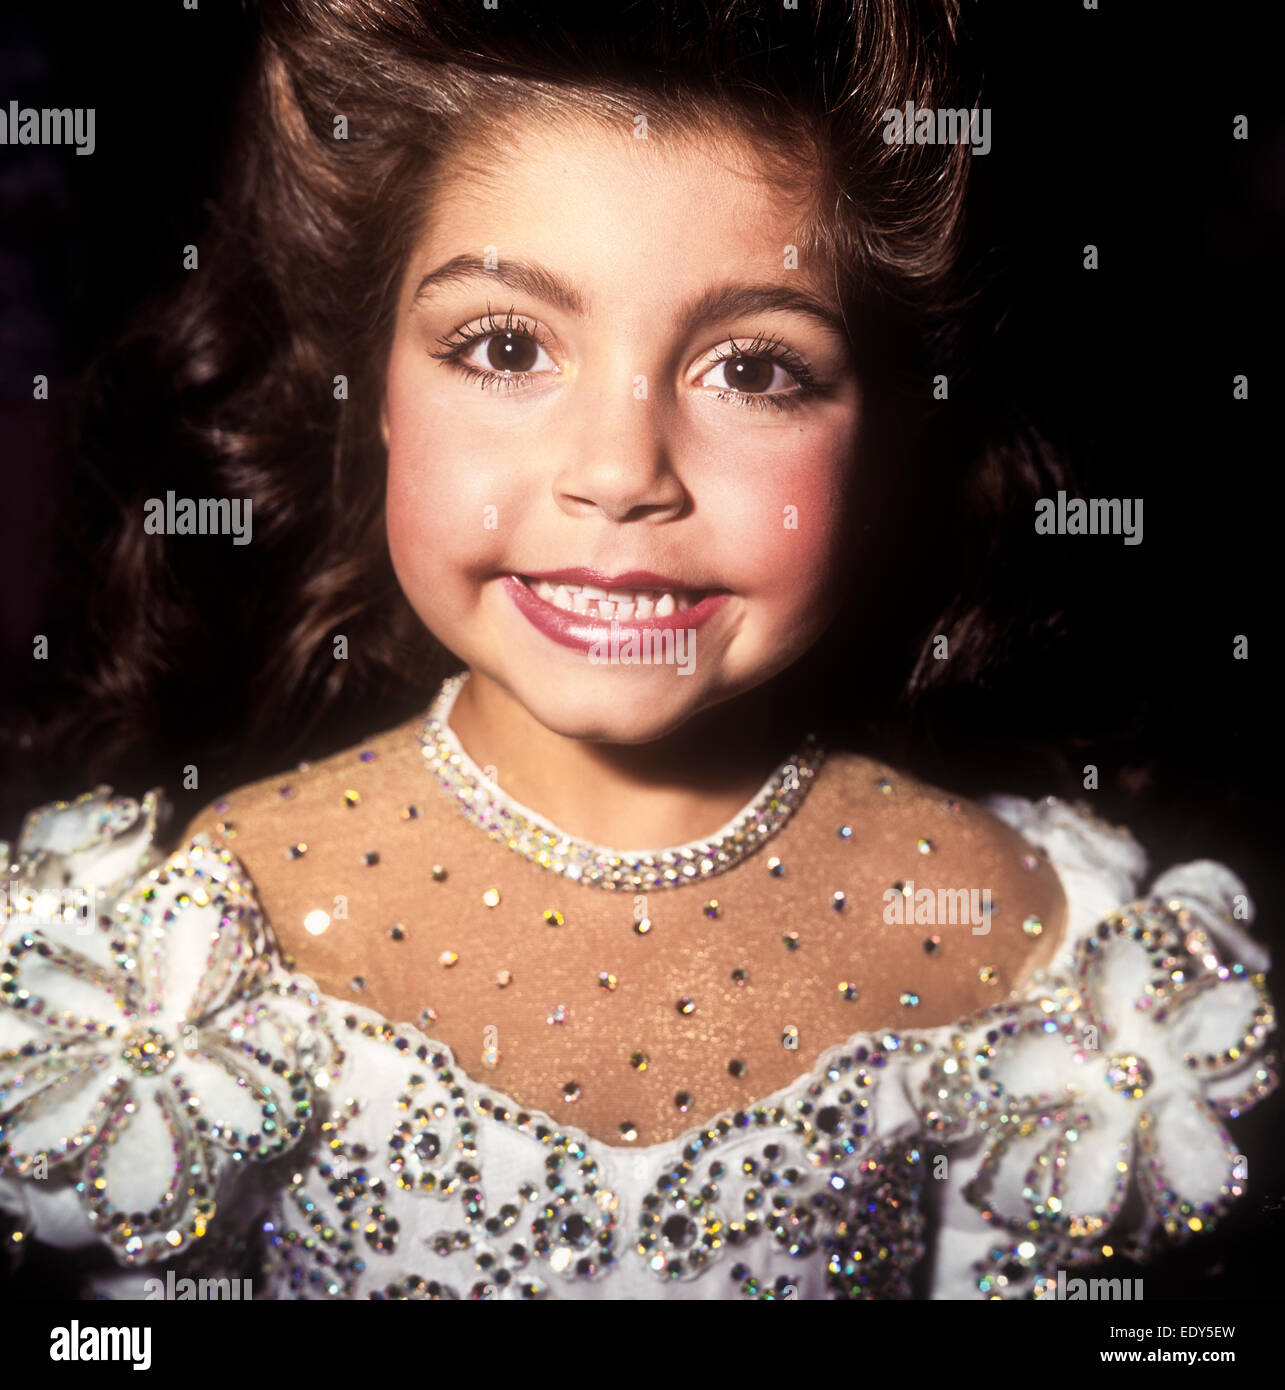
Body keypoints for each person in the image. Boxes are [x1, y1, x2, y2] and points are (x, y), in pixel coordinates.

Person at [0, 0, 1274, 1300]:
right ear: (372, 385)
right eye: (504, 347)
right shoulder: (184, 959)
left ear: (891, 441)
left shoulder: (1023, 947)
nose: (617, 476)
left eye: (757, 371)